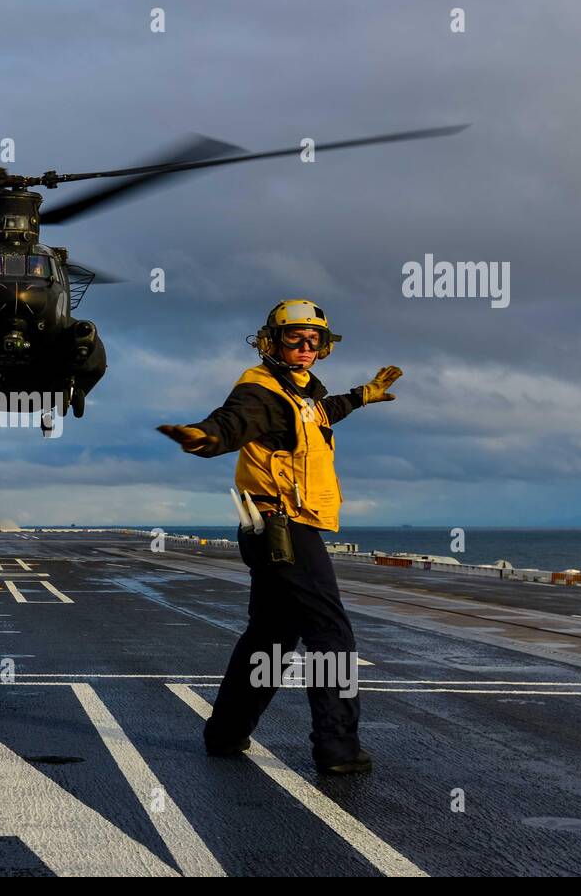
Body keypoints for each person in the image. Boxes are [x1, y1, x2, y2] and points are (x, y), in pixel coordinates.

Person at [158, 299, 401, 775]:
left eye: (316, 340)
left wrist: (363, 395)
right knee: (331, 634)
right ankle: (338, 749)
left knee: (269, 637)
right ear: (271, 341)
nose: (306, 347)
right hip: (282, 527)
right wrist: (203, 437)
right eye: (296, 338)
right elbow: (233, 423)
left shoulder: (301, 395)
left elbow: (318, 414)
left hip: (274, 527)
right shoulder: (261, 390)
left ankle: (225, 734)